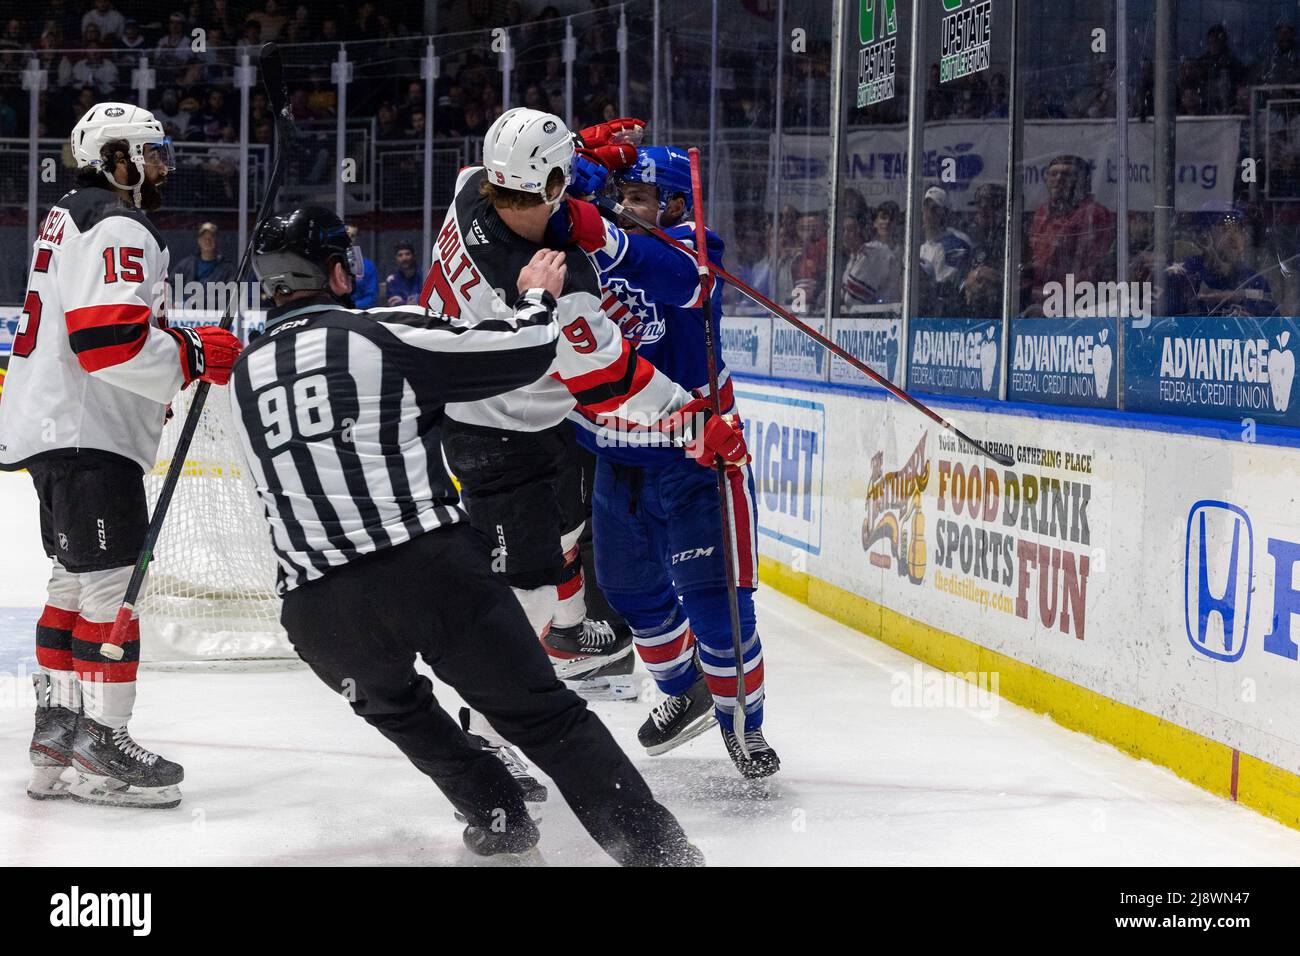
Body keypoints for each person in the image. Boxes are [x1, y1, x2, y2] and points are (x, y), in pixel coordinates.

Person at [231, 204, 700, 865]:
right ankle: (660, 855)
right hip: (423, 571)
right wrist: (537, 296)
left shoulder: (242, 375)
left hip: (317, 612)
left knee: (403, 712)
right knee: (547, 719)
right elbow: (522, 351)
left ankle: (499, 816)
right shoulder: (375, 332)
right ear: (336, 273)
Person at [425, 108, 748, 778]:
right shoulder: (557, 281)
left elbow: (522, 178)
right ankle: (485, 733)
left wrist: (585, 153)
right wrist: (696, 422)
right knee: (526, 594)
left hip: (530, 417)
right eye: (567, 180)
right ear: (552, 188)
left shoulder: (465, 194)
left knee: (574, 530)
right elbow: (612, 382)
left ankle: (574, 629)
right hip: (496, 431)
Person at [0, 102, 242, 808]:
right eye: (153, 154)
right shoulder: (119, 222)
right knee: (110, 590)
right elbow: (105, 341)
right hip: (88, 433)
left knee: (70, 585)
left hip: (53, 430)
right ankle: (105, 745)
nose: (163, 168)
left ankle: (57, 736)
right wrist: (193, 351)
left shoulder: (68, 213)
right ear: (116, 157)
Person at [556, 143, 779, 778]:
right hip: (616, 455)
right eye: (619, 196)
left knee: (718, 603)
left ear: (675, 204)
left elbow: (677, 276)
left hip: (697, 456)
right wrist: (572, 162)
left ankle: (746, 729)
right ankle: (685, 689)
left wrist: (599, 222)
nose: (624, 208)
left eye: (639, 197)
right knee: (630, 593)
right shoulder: (600, 245)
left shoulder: (694, 248)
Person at [1025, 155, 1115, 310]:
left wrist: (1052, 294)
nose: (1059, 179)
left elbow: (1094, 269)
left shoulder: (1093, 214)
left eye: (1067, 175)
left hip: (1076, 303)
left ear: (1084, 182)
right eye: (1053, 174)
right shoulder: (1041, 212)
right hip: (1037, 299)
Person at [917, 185, 972, 315]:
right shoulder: (918, 246)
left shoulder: (958, 242)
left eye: (935, 209)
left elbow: (947, 287)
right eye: (926, 207)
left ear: (945, 213)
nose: (929, 213)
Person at [172, 222, 236, 305]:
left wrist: (202, 302)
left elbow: (230, 295)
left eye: (212, 237)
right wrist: (175, 302)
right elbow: (170, 286)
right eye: (204, 237)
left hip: (214, 315)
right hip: (185, 315)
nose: (208, 240)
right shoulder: (186, 265)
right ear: (199, 240)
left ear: (217, 240)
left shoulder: (227, 269)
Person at [345, 224, 378, 308]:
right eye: (346, 235)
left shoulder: (368, 266)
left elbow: (371, 297)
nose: (348, 239)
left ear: (356, 240)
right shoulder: (331, 263)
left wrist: (351, 307)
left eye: (352, 236)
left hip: (359, 314)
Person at [384, 239, 421, 305]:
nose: (404, 258)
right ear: (396, 258)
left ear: (414, 256)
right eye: (400, 255)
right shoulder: (392, 280)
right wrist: (408, 302)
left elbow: (428, 300)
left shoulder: (424, 276)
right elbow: (393, 303)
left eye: (407, 254)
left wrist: (403, 301)